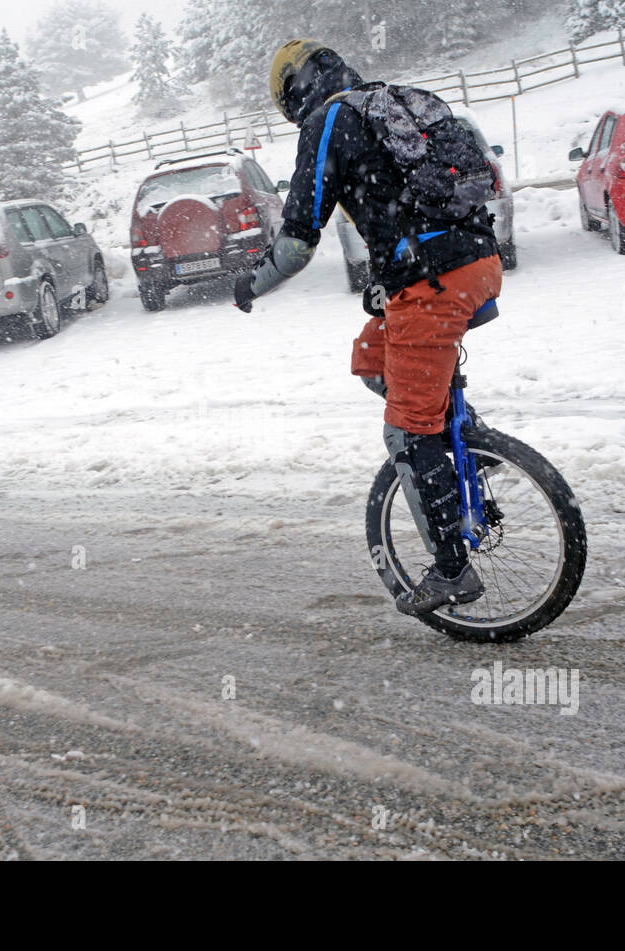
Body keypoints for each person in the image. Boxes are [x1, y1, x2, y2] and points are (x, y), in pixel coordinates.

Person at [233, 39, 503, 615]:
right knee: (369, 354)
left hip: (431, 282)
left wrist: (250, 285)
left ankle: (453, 572)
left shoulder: (330, 120)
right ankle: (465, 441)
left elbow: (299, 242)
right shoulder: (397, 101)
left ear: (293, 93)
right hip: (479, 264)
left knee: (404, 431)